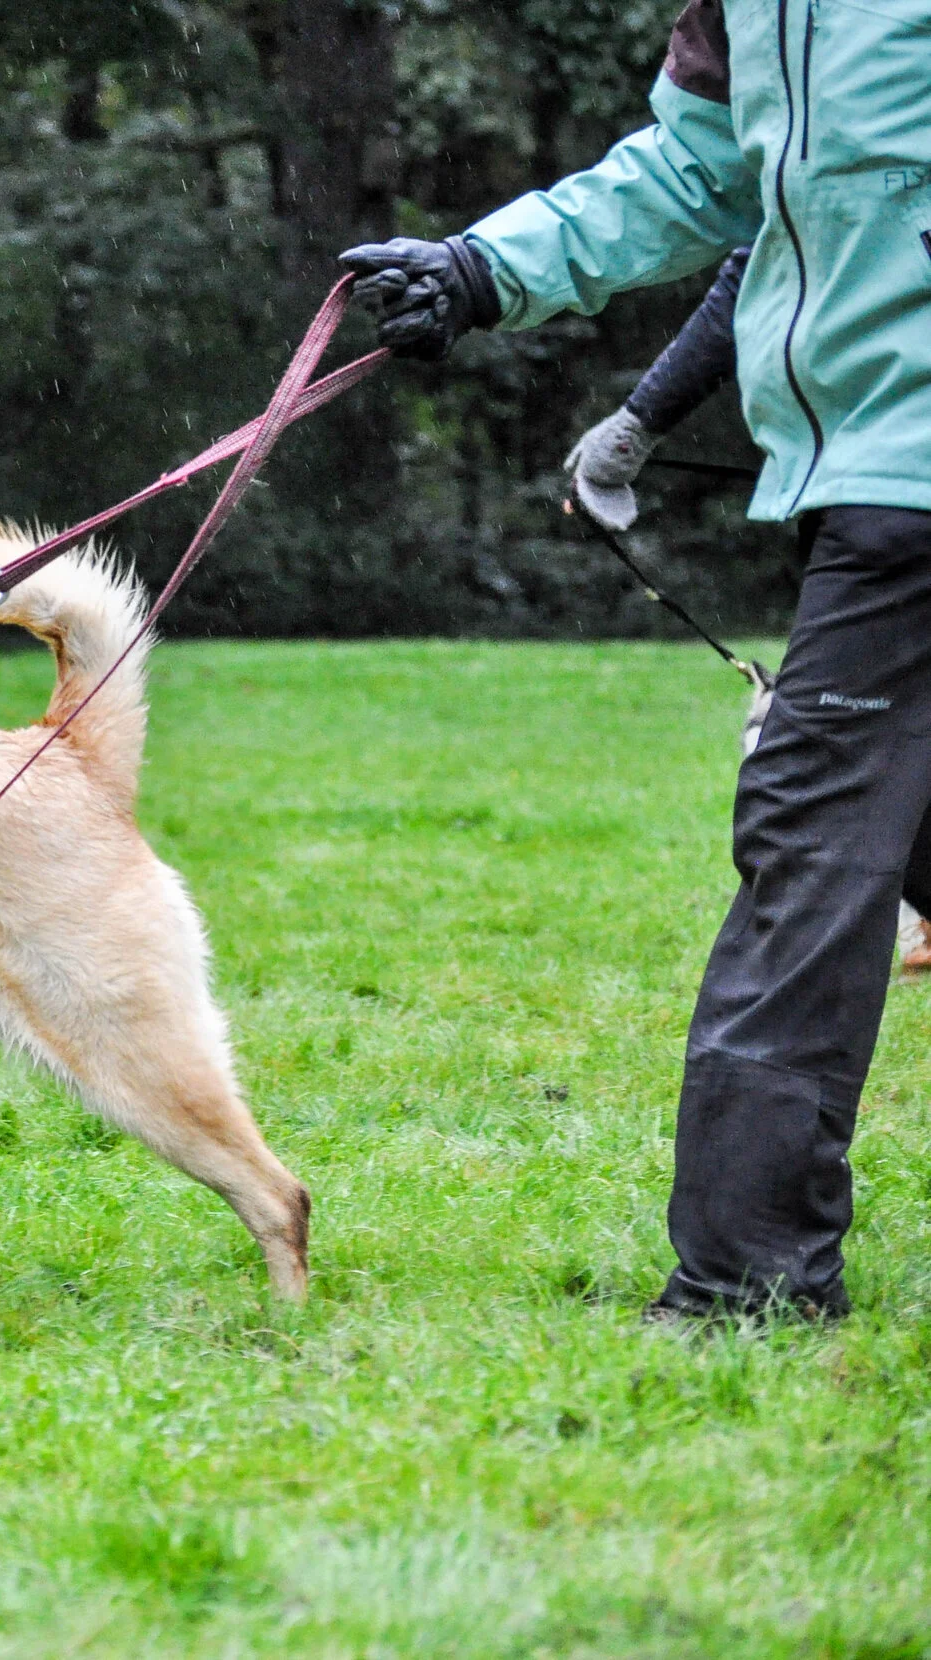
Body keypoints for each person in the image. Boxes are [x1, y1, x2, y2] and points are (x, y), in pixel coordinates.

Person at [336, 0, 931, 1321]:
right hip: (862, 466)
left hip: (909, 485)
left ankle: (746, 1284)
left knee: (813, 835)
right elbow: (703, 170)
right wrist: (482, 269)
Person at [565, 251, 931, 979]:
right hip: (872, 501)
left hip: (884, 511)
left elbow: (753, 264)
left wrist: (632, 430)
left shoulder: (832, 216)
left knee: (821, 790)